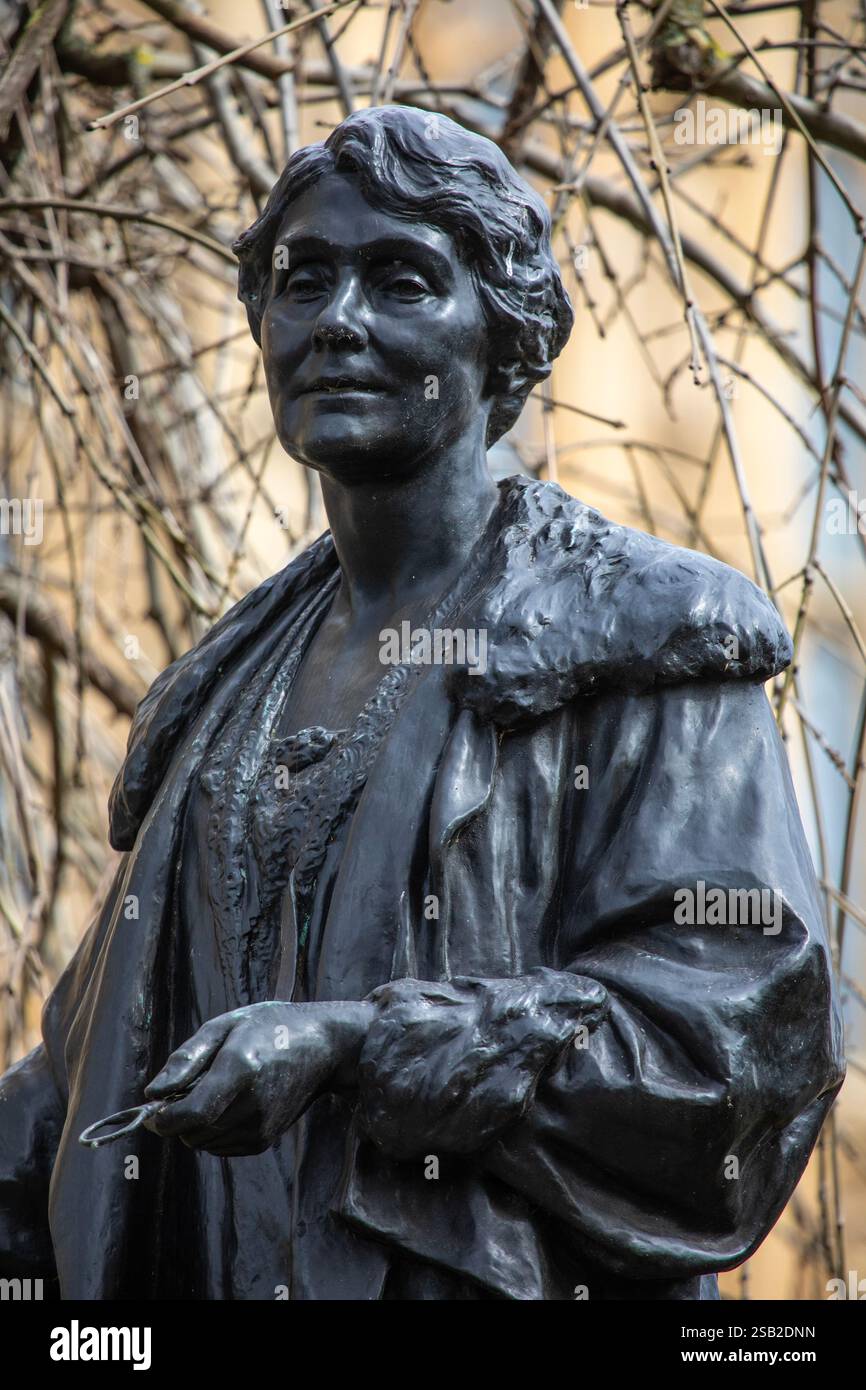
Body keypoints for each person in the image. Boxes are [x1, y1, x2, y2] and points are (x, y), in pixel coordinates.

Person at [0, 105, 844, 1300]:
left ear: (500, 340)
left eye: (401, 281)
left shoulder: (642, 641)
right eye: (304, 283)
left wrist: (353, 1044)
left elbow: (733, 1052)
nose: (338, 320)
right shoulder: (220, 690)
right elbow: (83, 1074)